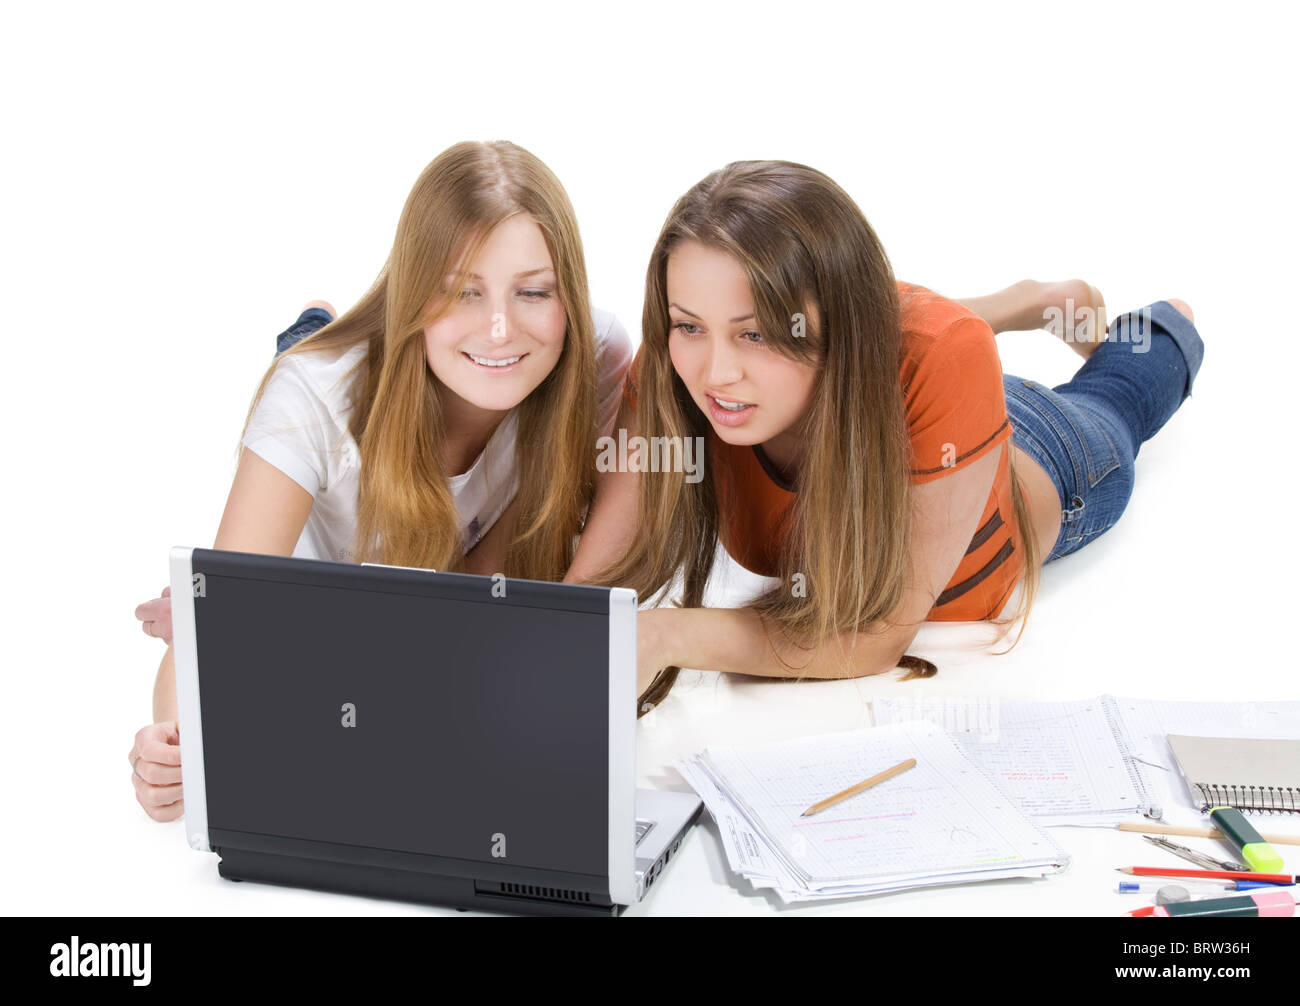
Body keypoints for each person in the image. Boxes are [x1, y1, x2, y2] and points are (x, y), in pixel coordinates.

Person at [566, 160, 1203, 707]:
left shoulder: (942, 358)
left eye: (754, 333)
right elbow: (587, 589)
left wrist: (666, 635)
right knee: (922, 347)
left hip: (1045, 451)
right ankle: (1018, 303)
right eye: (689, 326)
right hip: (912, 390)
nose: (716, 373)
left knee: (1119, 393)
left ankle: (1071, 309)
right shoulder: (675, 373)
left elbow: (875, 639)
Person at [128, 140, 633, 821]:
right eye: (463, 291)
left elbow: (492, 582)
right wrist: (172, 752)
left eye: (534, 292)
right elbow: (205, 633)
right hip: (321, 589)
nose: (500, 327)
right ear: (414, 293)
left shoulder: (594, 355)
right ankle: (312, 325)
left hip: (424, 569)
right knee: (304, 360)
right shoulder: (313, 399)